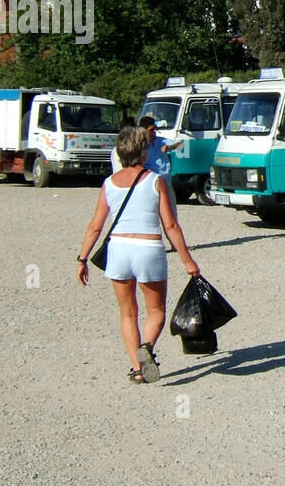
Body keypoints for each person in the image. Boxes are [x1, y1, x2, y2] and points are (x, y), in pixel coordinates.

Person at [76, 126, 199, 384]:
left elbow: (95, 226)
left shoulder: (109, 183)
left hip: (119, 249)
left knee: (127, 313)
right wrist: (188, 261)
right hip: (148, 248)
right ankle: (147, 347)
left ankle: (137, 368)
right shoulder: (156, 181)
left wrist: (83, 259)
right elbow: (171, 226)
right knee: (156, 310)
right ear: (143, 152)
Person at [139, 115, 183, 250]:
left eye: (155, 129)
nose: (154, 132)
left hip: (166, 181)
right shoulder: (140, 146)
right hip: (150, 184)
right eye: (151, 130)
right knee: (151, 215)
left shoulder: (160, 141)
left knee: (171, 213)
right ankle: (151, 244)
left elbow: (180, 144)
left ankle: (176, 244)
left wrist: (169, 147)